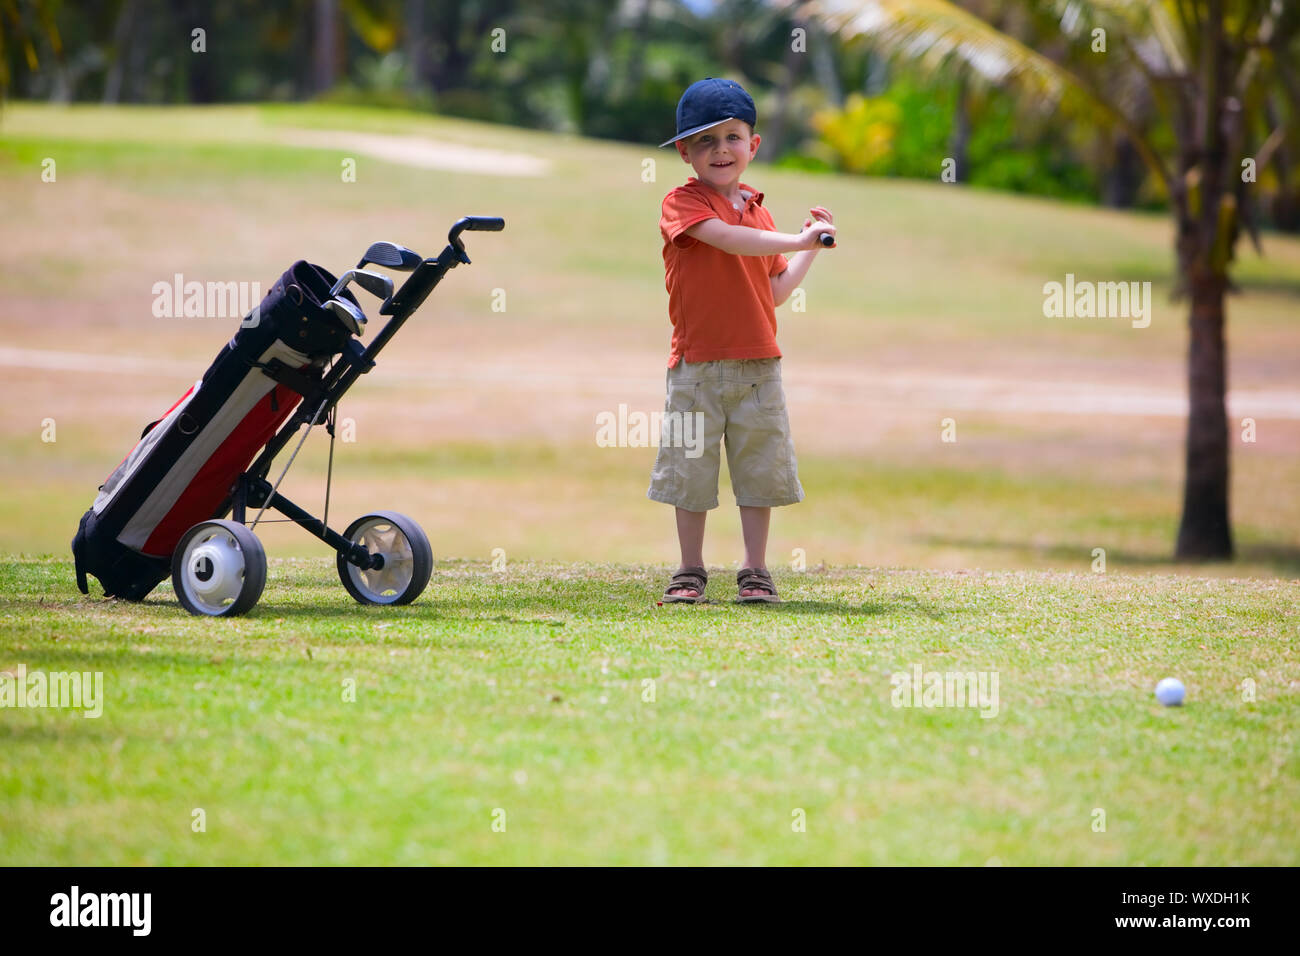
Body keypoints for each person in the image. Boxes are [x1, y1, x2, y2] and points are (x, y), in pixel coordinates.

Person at [648, 77, 836, 604]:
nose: (720, 150)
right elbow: (728, 241)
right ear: (685, 153)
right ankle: (690, 571)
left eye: (732, 137)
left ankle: (755, 571)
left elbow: (773, 291)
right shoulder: (682, 203)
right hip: (697, 366)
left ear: (753, 145)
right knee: (690, 472)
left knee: (760, 470)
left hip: (759, 366)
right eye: (704, 141)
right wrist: (795, 238)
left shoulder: (761, 213)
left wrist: (809, 248)